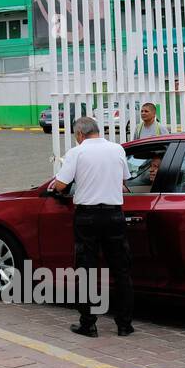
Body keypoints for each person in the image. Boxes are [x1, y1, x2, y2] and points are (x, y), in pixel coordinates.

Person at [49, 116, 134, 337]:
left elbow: (60, 185)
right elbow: (125, 179)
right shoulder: (117, 149)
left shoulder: (76, 152)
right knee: (121, 270)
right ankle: (124, 324)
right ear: (97, 130)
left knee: (86, 270)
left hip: (87, 217)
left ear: (79, 134)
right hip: (115, 215)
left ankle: (88, 324)